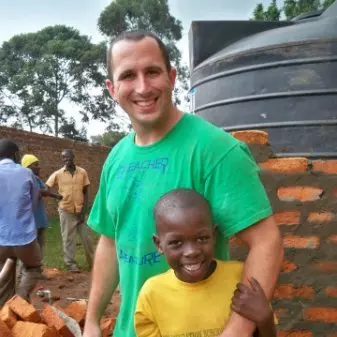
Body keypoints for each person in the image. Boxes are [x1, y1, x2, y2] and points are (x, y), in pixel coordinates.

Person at [83, 31, 283, 337]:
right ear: (111, 88)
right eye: (128, 76)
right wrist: (93, 320)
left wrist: (237, 330)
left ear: (172, 76)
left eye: (152, 72)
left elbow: (266, 242)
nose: (142, 87)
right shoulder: (116, 158)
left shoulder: (214, 150)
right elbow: (111, 242)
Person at [134, 188, 276, 337]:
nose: (191, 251)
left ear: (213, 236)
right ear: (159, 244)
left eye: (201, 238)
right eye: (176, 242)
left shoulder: (242, 279)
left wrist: (265, 320)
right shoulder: (153, 294)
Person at [0, 139, 43, 304]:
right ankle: (21, 299)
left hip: (1, 238)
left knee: (5, 270)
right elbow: (34, 202)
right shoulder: (26, 173)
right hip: (23, 237)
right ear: (17, 155)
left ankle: (6, 311)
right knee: (34, 267)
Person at [45, 149, 94, 272]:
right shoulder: (58, 174)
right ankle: (71, 264)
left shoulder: (82, 172)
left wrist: (83, 211)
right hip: (66, 211)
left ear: (73, 156)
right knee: (68, 238)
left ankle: (93, 263)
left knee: (87, 237)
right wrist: (56, 196)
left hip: (80, 211)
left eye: (68, 157)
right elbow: (46, 188)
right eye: (63, 158)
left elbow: (86, 192)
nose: (66, 159)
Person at [21, 154, 62, 259]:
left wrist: (46, 193)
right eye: (36, 164)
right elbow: (40, 191)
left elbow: (43, 191)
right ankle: (27, 269)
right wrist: (55, 195)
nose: (39, 167)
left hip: (39, 217)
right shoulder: (26, 179)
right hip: (32, 219)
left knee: (39, 243)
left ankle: (37, 268)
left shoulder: (36, 179)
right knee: (31, 245)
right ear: (28, 167)